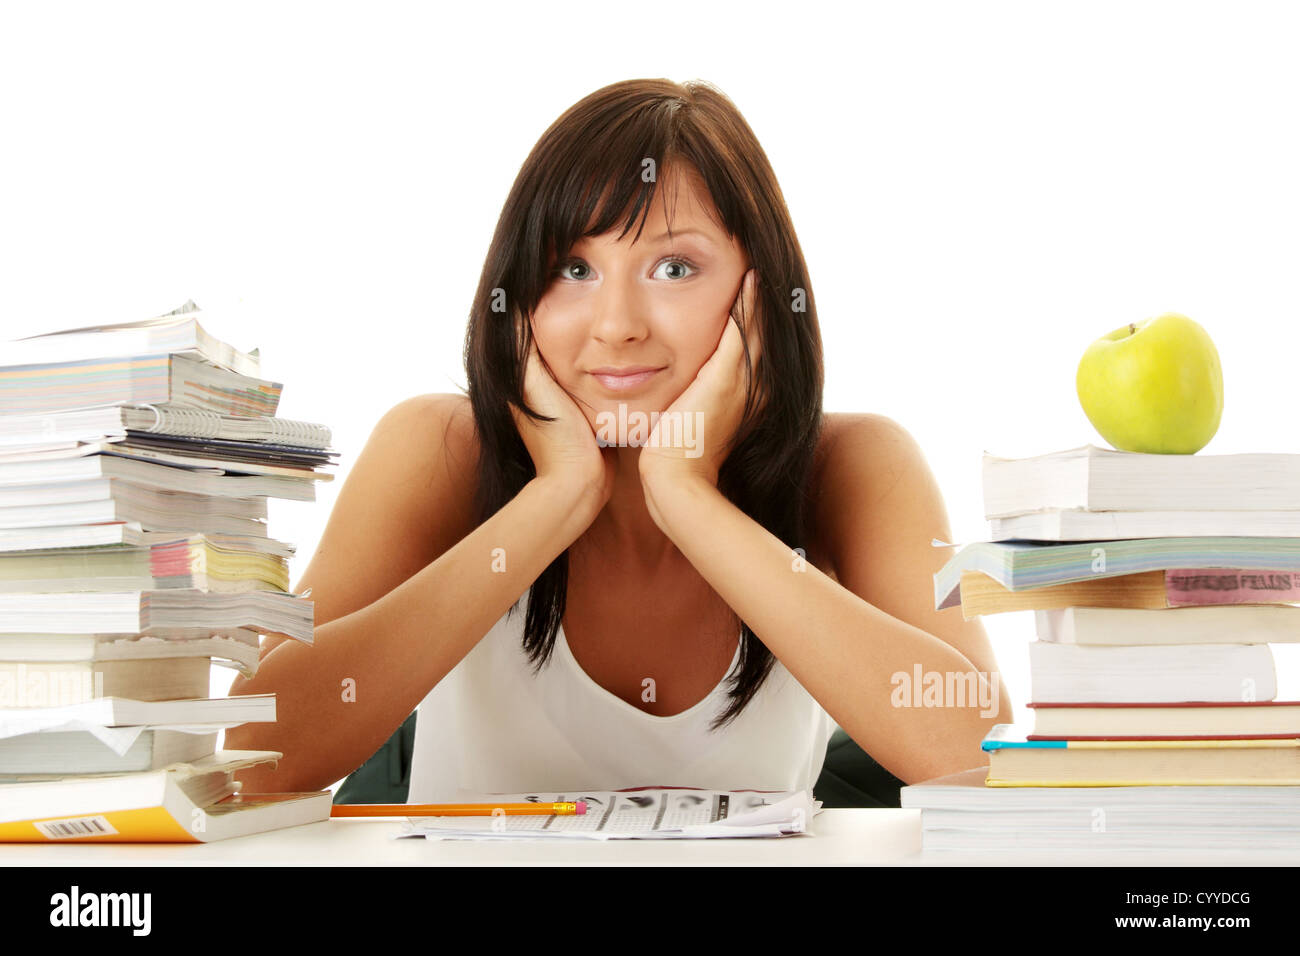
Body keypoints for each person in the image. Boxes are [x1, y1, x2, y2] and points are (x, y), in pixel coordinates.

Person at [224, 78, 1012, 799]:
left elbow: (981, 752)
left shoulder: (853, 464)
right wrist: (556, 497)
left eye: (674, 268)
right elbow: (256, 747)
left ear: (759, 294)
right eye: (572, 267)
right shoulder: (440, 446)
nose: (617, 326)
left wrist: (688, 496)